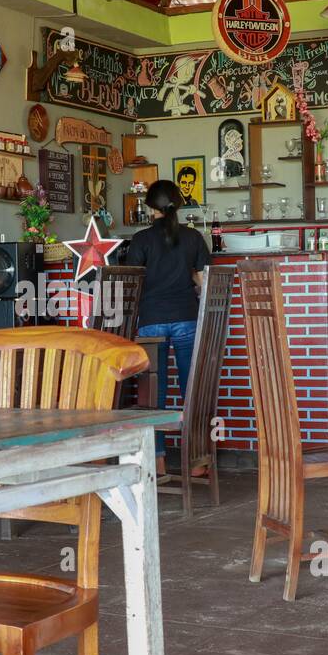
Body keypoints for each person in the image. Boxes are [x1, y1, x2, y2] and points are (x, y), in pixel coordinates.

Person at [124, 179, 212, 474]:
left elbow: (133, 281)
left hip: (151, 322)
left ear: (151, 207)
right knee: (191, 388)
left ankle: (158, 460)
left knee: (153, 395)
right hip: (186, 316)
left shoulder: (141, 240)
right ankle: (196, 460)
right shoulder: (193, 237)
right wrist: (194, 290)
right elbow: (203, 279)